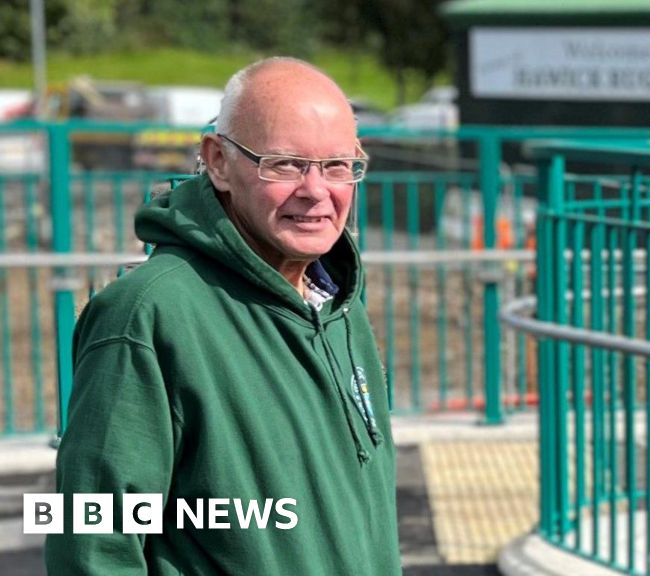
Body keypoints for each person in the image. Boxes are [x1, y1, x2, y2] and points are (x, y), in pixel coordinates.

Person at [46, 57, 400, 575]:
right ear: (217, 161)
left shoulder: (338, 307)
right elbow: (92, 539)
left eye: (338, 165)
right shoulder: (147, 314)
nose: (316, 190)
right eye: (284, 163)